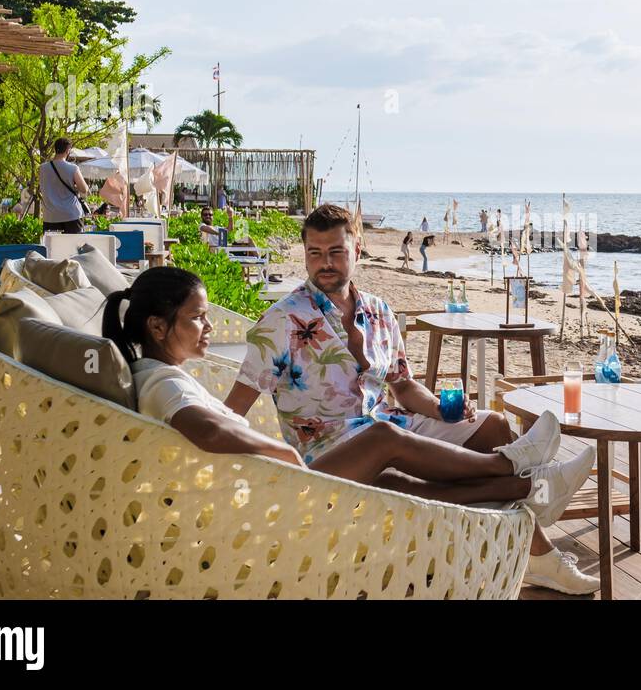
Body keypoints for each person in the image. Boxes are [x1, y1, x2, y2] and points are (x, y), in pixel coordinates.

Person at [223, 204, 600, 594]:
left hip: (387, 423)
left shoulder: (379, 311)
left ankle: (537, 548)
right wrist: (259, 467)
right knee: (386, 436)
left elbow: (402, 386)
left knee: (493, 425)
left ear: (357, 247)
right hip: (327, 454)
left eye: (336, 251)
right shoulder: (282, 321)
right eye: (314, 253)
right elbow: (234, 409)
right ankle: (522, 476)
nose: (325, 264)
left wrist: (439, 409)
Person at [102, 267, 593, 521]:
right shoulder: (162, 381)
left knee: (401, 486)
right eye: (197, 317)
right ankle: (508, 464)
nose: (208, 327)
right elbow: (204, 428)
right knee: (382, 438)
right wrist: (279, 451)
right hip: (278, 490)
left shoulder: (156, 372)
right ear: (157, 326)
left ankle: (531, 489)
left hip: (265, 486)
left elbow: (401, 384)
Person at [40, 137, 88, 233]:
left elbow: (44, 187)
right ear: (68, 150)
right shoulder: (73, 168)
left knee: (53, 247)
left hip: (50, 216)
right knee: (74, 246)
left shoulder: (42, 168)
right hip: (71, 215)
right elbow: (84, 189)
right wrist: (74, 187)